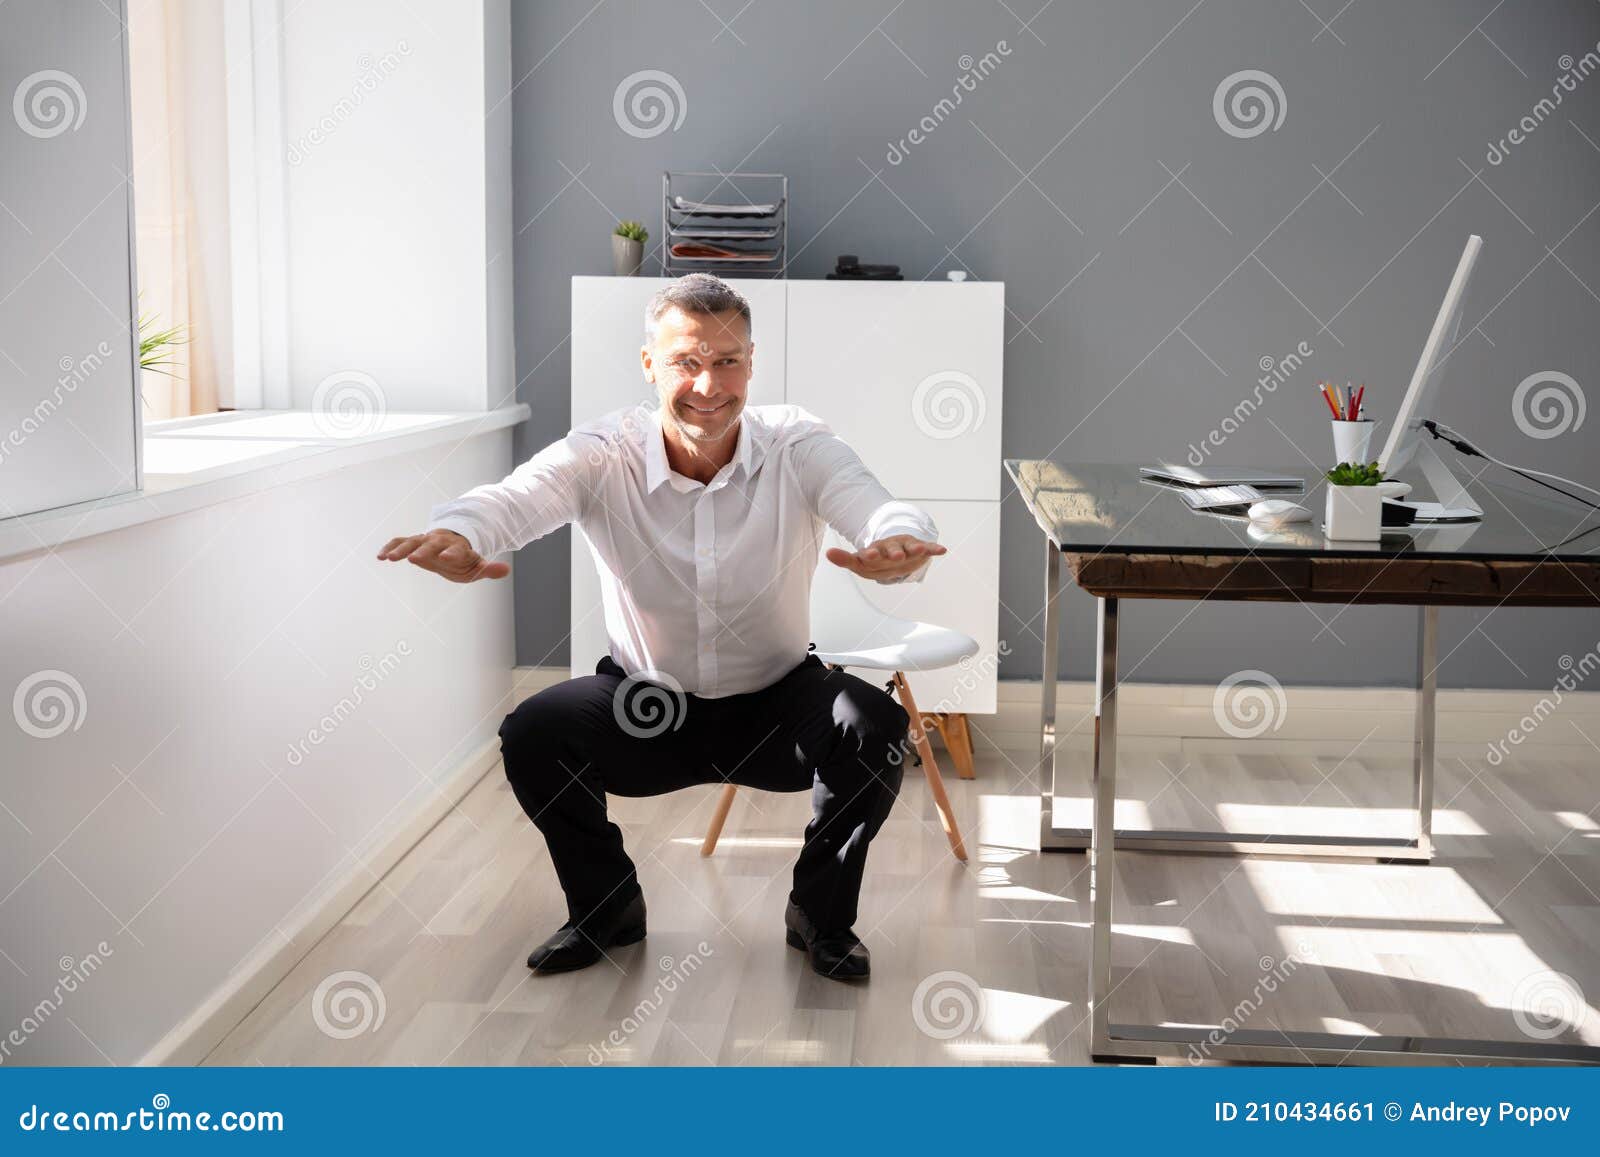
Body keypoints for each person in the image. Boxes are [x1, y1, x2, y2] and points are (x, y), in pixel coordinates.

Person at [377, 273, 945, 980]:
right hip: (648, 709)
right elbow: (514, 498)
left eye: (728, 360)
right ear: (650, 364)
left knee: (875, 727)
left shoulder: (796, 444)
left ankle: (819, 916)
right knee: (533, 731)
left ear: (752, 361)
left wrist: (895, 542)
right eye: (686, 361)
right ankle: (606, 905)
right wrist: (460, 532)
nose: (709, 384)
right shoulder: (602, 451)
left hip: (775, 702)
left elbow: (867, 497)